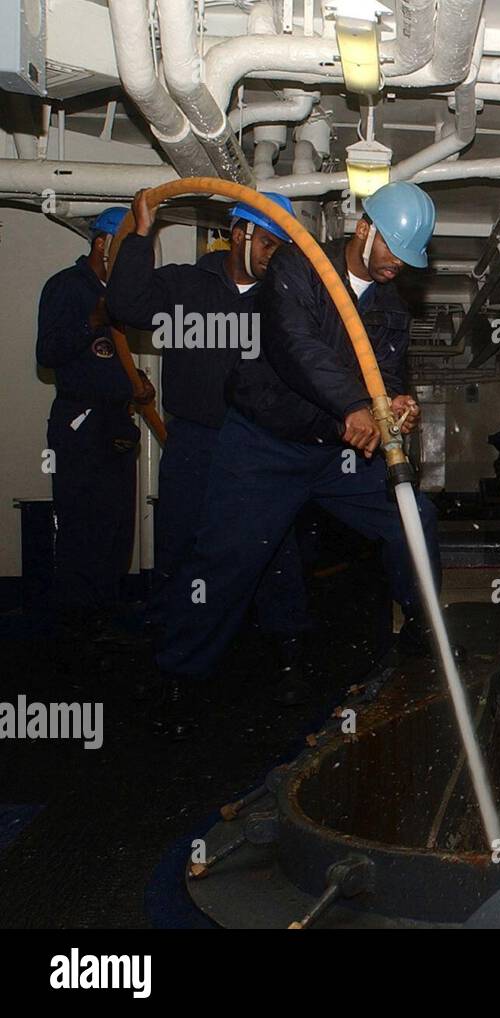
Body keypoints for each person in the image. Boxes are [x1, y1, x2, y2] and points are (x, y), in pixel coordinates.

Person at [151, 181, 441, 739]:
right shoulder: (296, 266)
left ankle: (420, 626)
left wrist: (398, 406)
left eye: (409, 260)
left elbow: (390, 376)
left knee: (414, 519)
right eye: (393, 253)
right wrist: (356, 405)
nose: (397, 268)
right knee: (224, 562)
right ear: (364, 229)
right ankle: (180, 674)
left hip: (336, 454)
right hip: (264, 443)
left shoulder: (392, 309)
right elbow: (294, 348)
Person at [107, 191, 312, 705]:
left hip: (263, 448)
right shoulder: (184, 285)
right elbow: (124, 305)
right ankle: (174, 664)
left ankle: (287, 650)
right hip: (197, 442)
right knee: (181, 547)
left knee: (274, 549)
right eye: (267, 242)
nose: (273, 255)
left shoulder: (282, 300)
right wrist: (141, 233)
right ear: (239, 233)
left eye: (282, 247)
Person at [36, 207, 149, 642]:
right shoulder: (66, 287)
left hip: (116, 420)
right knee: (83, 520)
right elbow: (47, 354)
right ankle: (77, 625)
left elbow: (112, 357)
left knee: (117, 521)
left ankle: (107, 611)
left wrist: (137, 384)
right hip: (80, 421)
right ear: (102, 244)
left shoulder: (117, 293)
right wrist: (92, 322)